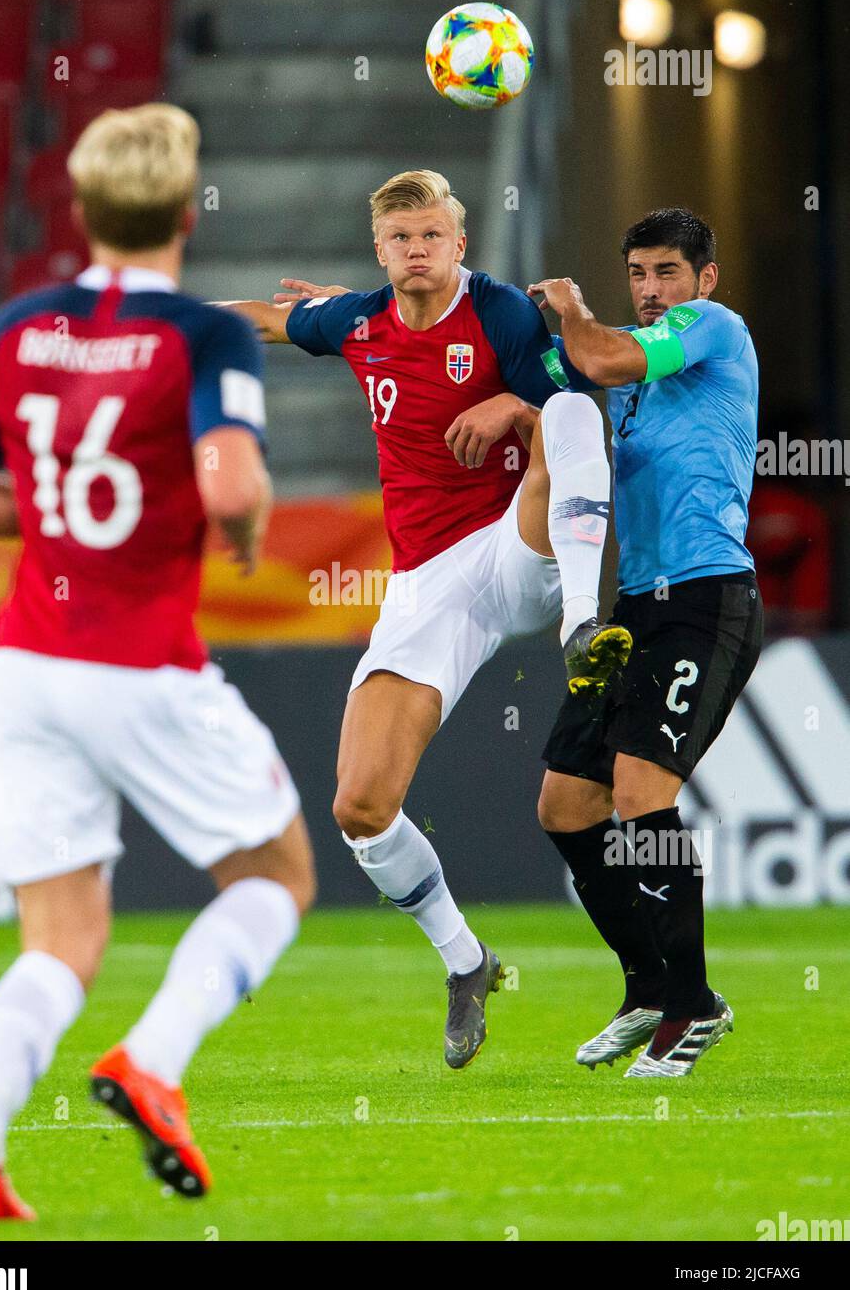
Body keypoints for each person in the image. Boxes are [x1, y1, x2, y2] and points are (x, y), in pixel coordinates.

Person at [0, 104, 315, 1219]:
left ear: (83, 212)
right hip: (139, 661)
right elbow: (234, 482)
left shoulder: (15, 325)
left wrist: (60, 519)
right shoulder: (203, 332)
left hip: (23, 667)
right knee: (276, 875)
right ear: (188, 214)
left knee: (59, 938)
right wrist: (233, 530)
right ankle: (150, 1058)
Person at [221, 169, 630, 1069]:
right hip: (425, 588)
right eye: (400, 237)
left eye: (432, 235)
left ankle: (580, 626)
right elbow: (259, 318)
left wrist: (514, 403)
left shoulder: (502, 319)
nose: (417, 249)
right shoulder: (356, 320)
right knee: (360, 806)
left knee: (564, 412)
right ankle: (466, 961)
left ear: (461, 243)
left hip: (518, 544)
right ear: (380, 249)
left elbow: (583, 409)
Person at [529, 207, 763, 1077]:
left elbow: (598, 357)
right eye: (638, 274)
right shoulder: (618, 347)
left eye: (667, 272)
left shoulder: (710, 331)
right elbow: (540, 371)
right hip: (636, 606)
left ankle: (695, 1003)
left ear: (704, 278)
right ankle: (648, 988)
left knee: (639, 789)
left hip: (708, 599)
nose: (653, 290)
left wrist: (573, 307)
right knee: (565, 803)